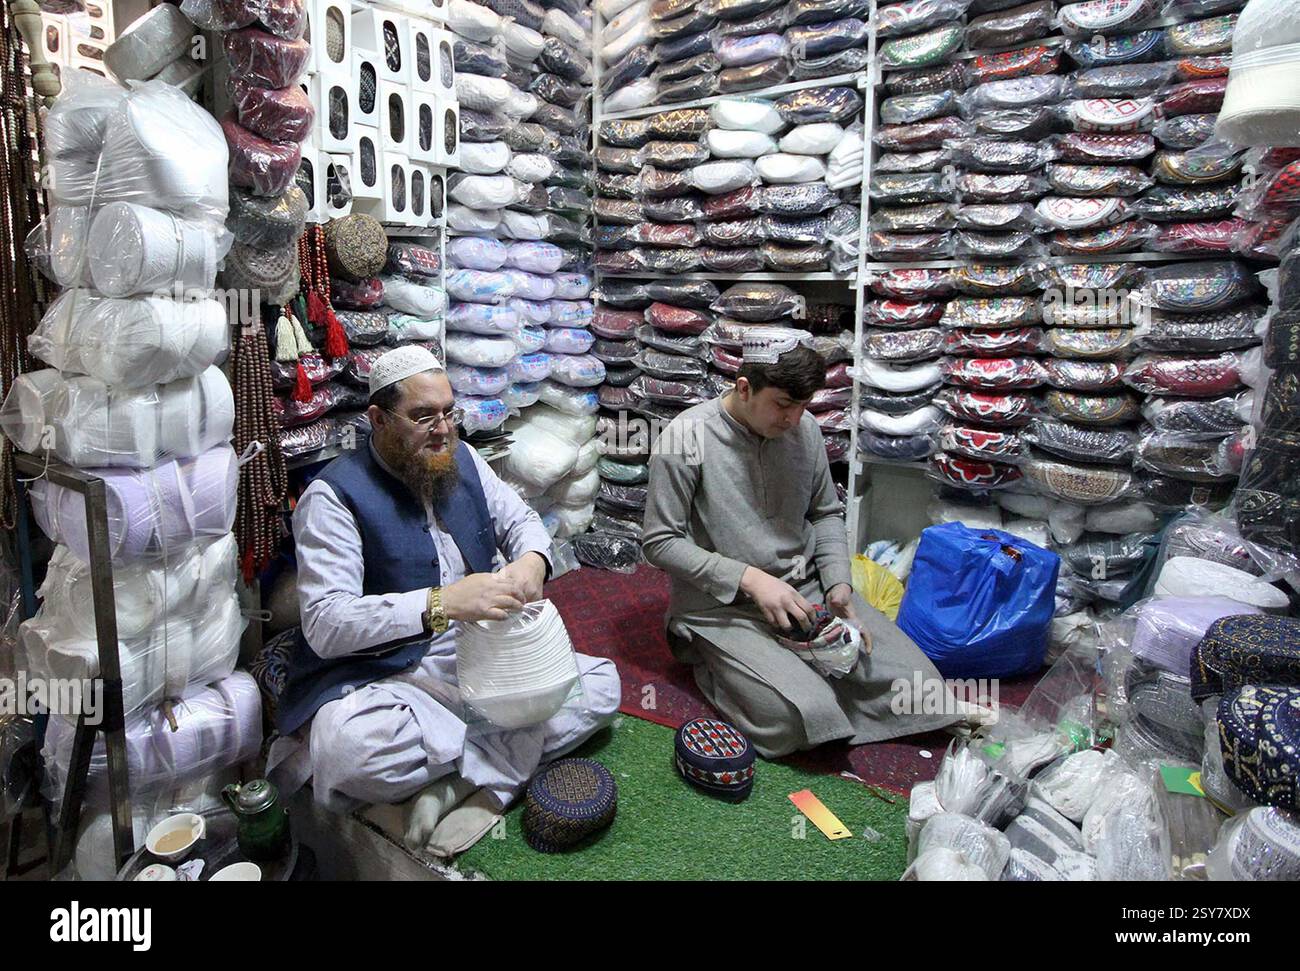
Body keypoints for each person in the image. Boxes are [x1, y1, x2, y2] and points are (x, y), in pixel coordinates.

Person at [268, 345, 621, 851]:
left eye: (449, 413)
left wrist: (532, 561)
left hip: (476, 656)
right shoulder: (333, 498)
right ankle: (498, 767)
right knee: (350, 751)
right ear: (377, 420)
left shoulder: (464, 459)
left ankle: (454, 781)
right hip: (386, 673)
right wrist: (442, 603)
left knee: (601, 687)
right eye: (423, 416)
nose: (442, 429)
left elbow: (520, 521)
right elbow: (326, 624)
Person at [641, 327, 962, 758]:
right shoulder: (686, 437)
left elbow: (825, 512)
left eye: (804, 405)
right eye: (783, 404)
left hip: (805, 592)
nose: (793, 419)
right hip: (721, 608)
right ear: (744, 387)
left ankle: (798, 673)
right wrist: (750, 579)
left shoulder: (804, 429)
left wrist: (839, 588)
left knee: (923, 689)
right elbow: (659, 542)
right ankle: (719, 664)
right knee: (802, 716)